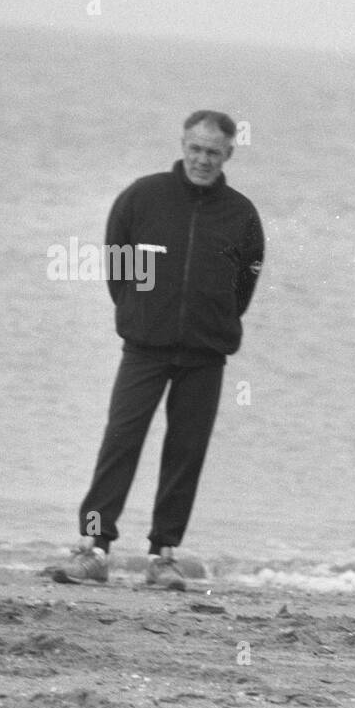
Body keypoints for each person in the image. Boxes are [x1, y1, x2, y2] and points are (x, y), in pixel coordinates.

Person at [50, 110, 264, 591]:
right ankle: (93, 549)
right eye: (195, 148)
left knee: (186, 452)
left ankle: (162, 557)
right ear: (182, 144)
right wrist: (140, 313)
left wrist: (216, 321)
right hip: (144, 347)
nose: (202, 159)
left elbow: (244, 284)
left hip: (205, 355)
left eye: (213, 152)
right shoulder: (143, 198)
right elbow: (117, 268)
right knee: (121, 441)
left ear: (229, 153)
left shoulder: (241, 214)